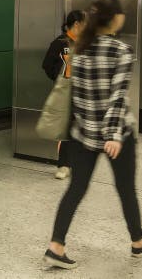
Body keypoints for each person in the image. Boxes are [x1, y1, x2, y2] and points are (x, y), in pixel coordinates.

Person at [44, 0, 142, 269]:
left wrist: (86, 129)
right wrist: (112, 135)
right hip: (115, 135)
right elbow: (117, 97)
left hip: (83, 133)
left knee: (76, 188)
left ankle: (56, 246)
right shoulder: (122, 51)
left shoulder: (79, 50)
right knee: (125, 189)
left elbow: (78, 97)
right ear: (116, 19)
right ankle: (138, 243)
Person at [41, 10, 85, 180]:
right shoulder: (60, 43)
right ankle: (64, 165)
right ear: (76, 24)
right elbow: (46, 65)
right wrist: (59, 78)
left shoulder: (85, 43)